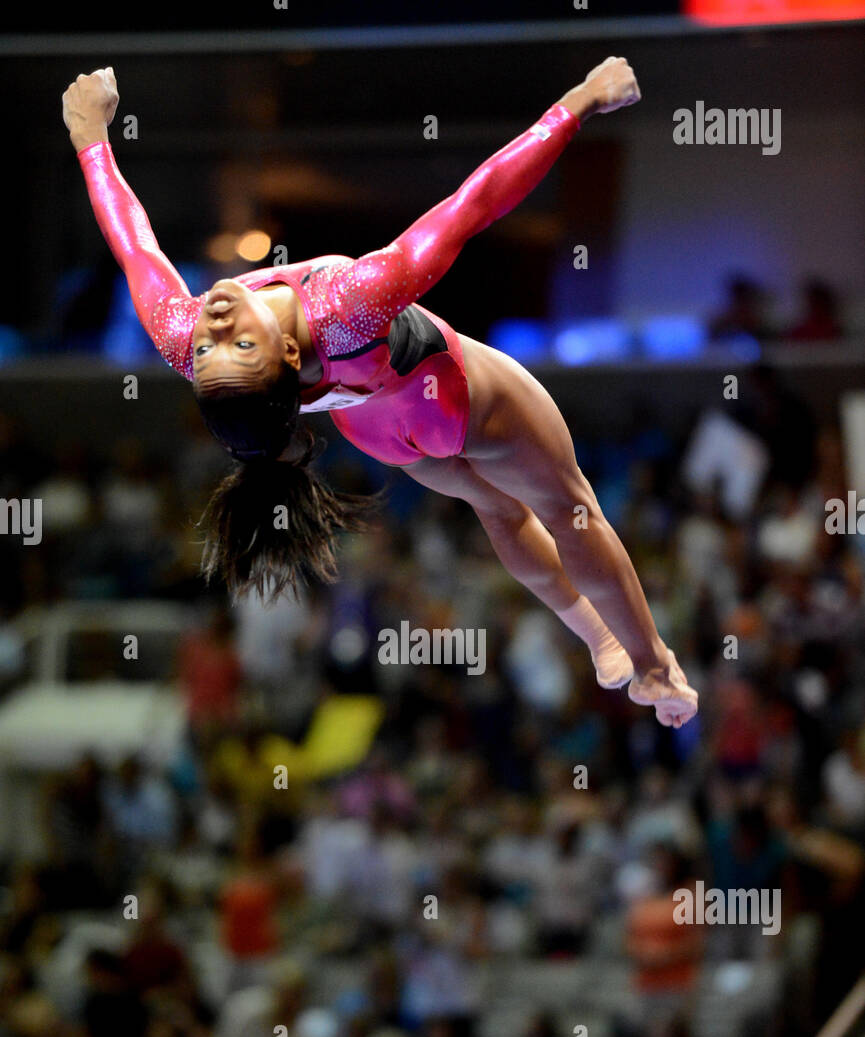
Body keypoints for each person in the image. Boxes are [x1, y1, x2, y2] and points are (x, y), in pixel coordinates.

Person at [63, 61, 697, 728]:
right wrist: (577, 103)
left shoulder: (180, 333)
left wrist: (89, 136)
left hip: (383, 434)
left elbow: (133, 246)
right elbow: (472, 206)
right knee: (570, 509)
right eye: (239, 348)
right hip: (458, 400)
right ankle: (653, 663)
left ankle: (597, 637)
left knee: (501, 514)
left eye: (205, 351)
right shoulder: (346, 308)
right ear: (283, 355)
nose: (212, 330)